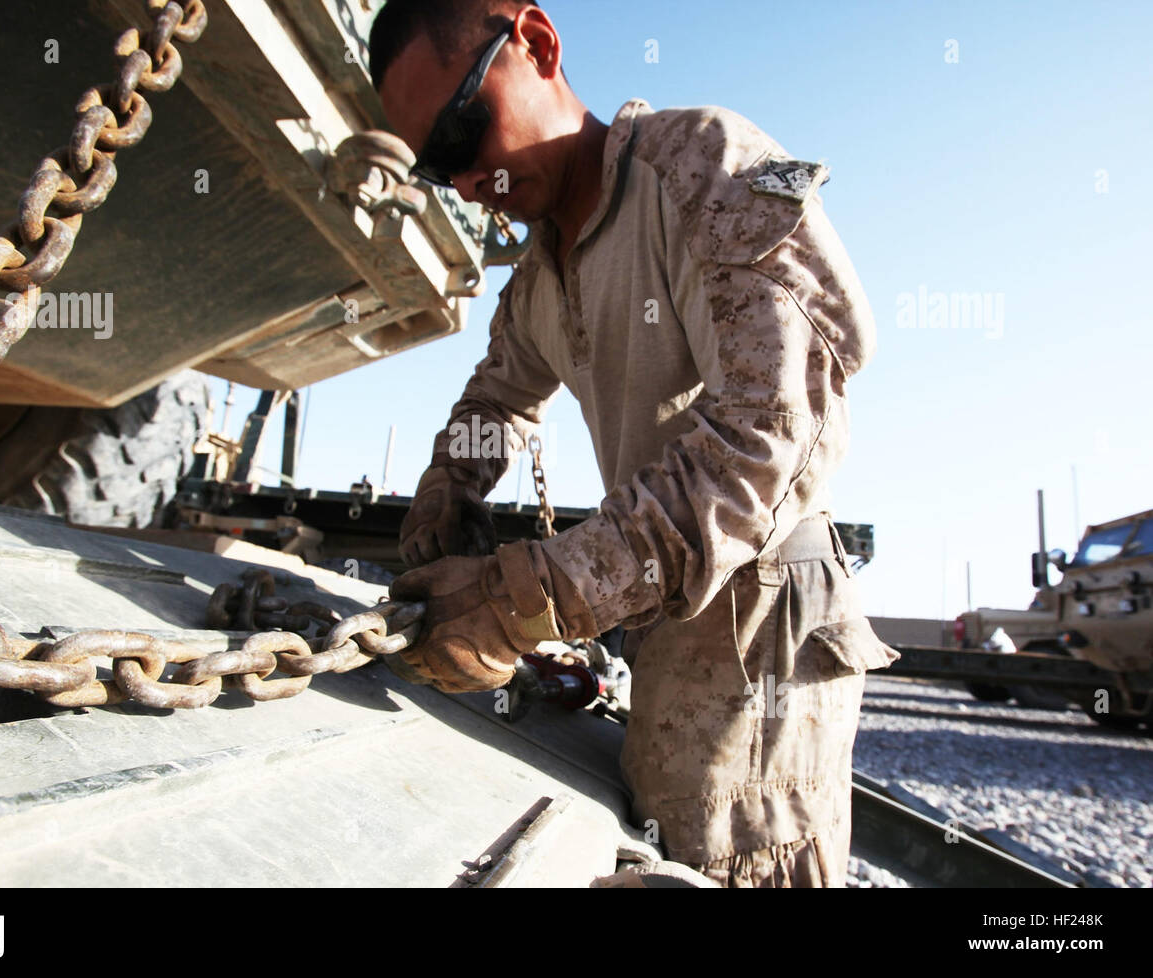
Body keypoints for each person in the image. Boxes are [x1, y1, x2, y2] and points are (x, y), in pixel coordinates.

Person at [371, 0, 898, 886]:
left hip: (758, 619)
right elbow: (497, 396)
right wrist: (449, 485)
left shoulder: (703, 169)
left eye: (465, 133)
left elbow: (769, 436)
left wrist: (526, 600)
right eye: (438, 166)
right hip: (668, 612)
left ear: (536, 44)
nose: (464, 182)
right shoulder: (543, 271)